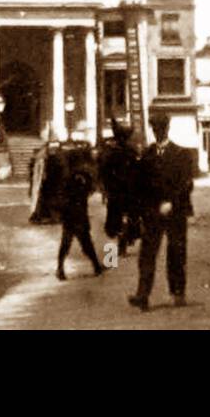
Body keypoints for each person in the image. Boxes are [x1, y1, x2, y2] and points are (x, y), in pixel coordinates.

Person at [129, 114, 194, 312]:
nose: (158, 131)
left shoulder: (181, 154)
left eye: (160, 128)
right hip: (152, 213)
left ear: (167, 129)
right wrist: (143, 211)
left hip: (176, 211)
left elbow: (186, 184)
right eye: (154, 128)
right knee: (147, 254)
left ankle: (177, 292)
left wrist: (171, 203)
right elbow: (140, 186)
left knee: (176, 252)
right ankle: (143, 295)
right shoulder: (147, 155)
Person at [56, 146, 104, 280]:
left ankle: (60, 268)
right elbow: (89, 190)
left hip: (69, 214)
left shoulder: (67, 175)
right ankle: (96, 266)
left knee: (66, 242)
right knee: (85, 241)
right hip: (78, 213)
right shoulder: (80, 175)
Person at [98, 121, 140, 255]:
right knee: (128, 215)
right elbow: (138, 171)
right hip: (129, 190)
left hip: (117, 191)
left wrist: (106, 188)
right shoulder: (131, 151)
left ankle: (115, 251)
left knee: (116, 217)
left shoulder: (111, 153)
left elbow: (104, 172)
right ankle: (125, 240)